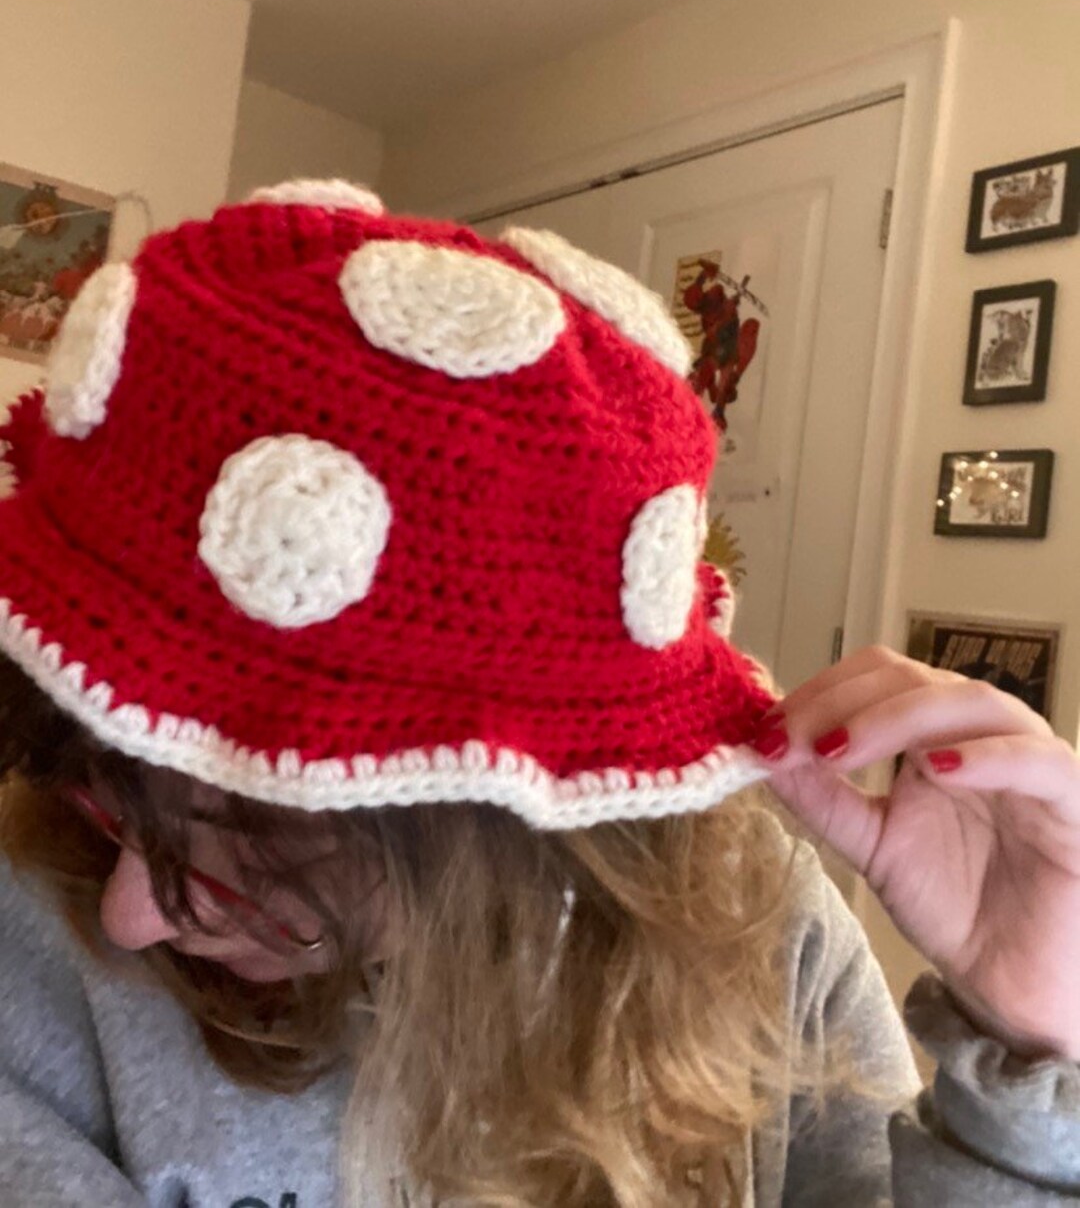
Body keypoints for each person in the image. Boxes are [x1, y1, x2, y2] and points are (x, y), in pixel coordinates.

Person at [0, 178, 1076, 1208]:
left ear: (491, 837)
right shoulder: (38, 944)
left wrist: (1033, 1043)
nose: (127, 915)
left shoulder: (753, 920)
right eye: (109, 792)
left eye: (247, 855)